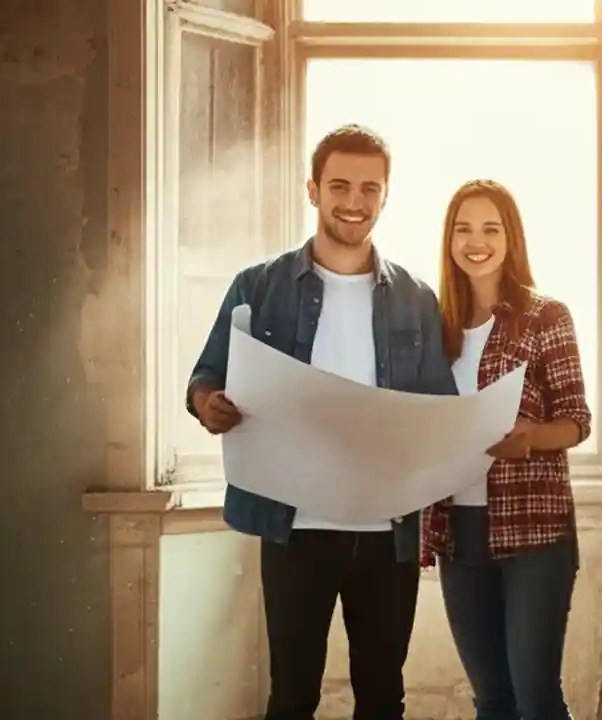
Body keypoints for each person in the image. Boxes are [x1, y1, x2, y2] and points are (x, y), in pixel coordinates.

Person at [186, 124, 457, 720]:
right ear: (313, 189)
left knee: (384, 697)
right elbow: (205, 377)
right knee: (291, 698)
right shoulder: (258, 286)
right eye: (339, 185)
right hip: (294, 529)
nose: (354, 202)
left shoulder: (416, 299)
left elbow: (439, 410)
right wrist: (209, 405)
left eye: (369, 188)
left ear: (386, 196)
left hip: (389, 535)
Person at [421, 179, 592, 720]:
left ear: (510, 237)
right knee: (492, 698)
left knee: (535, 697)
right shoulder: (435, 326)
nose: (477, 241)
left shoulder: (546, 317)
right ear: (449, 239)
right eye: (463, 228)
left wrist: (531, 438)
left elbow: (577, 420)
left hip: (534, 530)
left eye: (490, 228)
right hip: (458, 531)